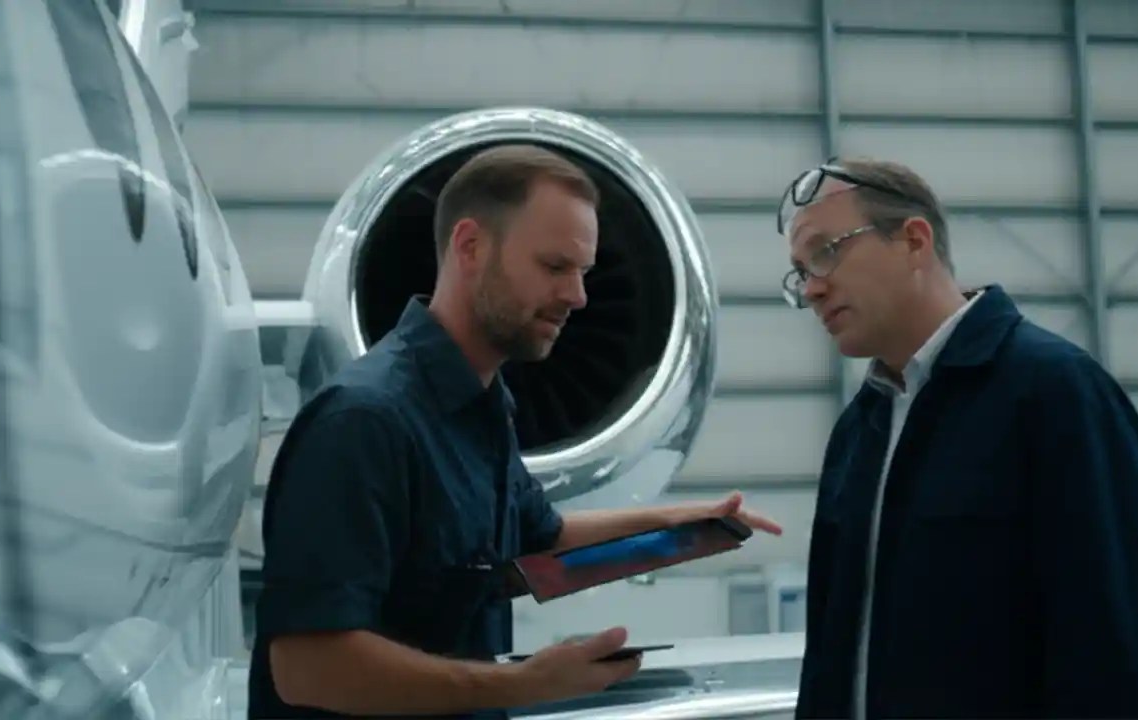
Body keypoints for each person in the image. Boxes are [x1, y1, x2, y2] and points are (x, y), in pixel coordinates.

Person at [247, 143, 782, 719]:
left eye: (583, 273)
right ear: (470, 246)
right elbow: (307, 668)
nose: (578, 297)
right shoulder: (364, 422)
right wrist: (527, 685)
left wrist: (684, 531)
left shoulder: (484, 405)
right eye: (555, 267)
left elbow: (536, 545)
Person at [780, 158, 1138, 719]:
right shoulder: (861, 425)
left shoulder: (1055, 392)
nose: (813, 289)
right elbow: (831, 652)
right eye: (800, 272)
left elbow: (1110, 646)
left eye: (825, 253)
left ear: (914, 241)